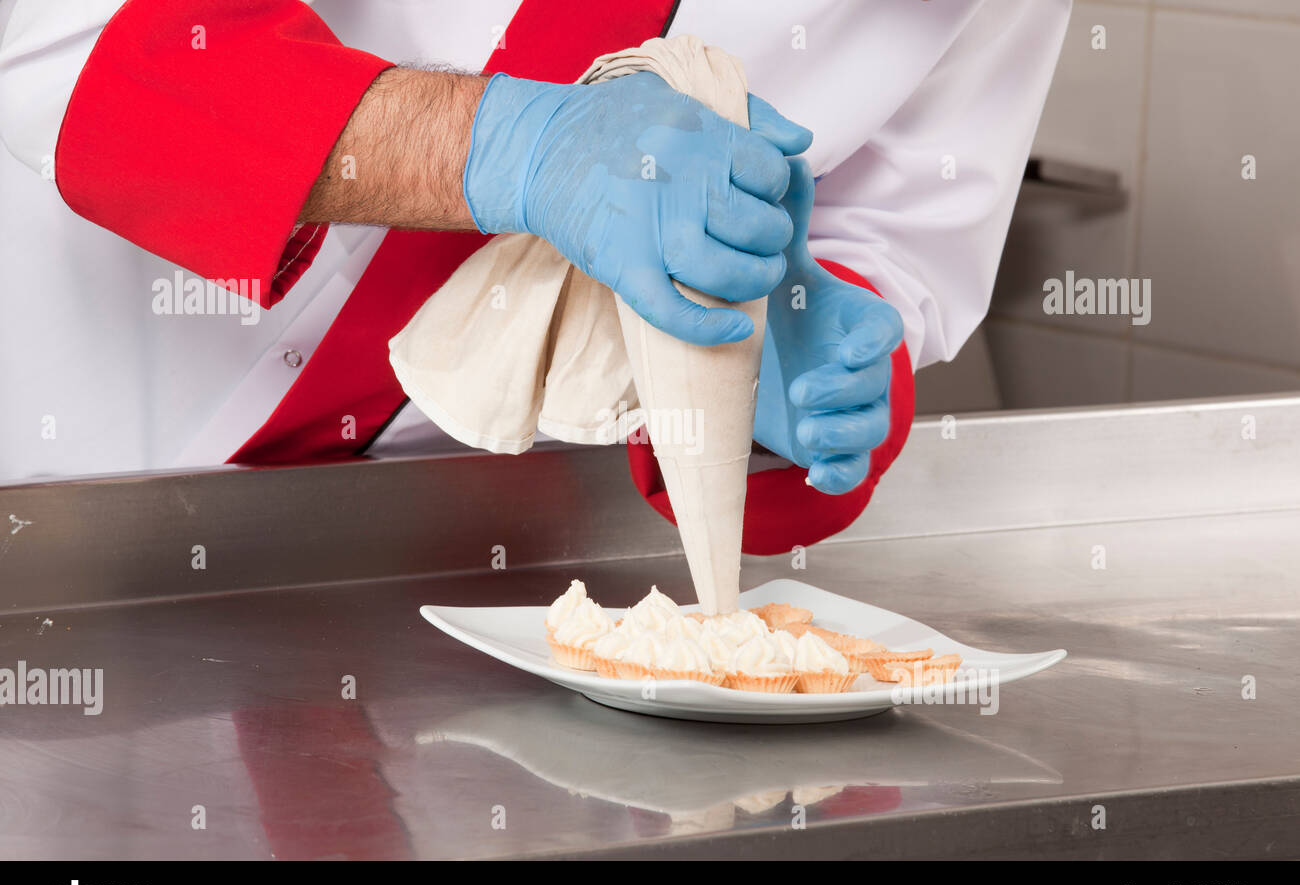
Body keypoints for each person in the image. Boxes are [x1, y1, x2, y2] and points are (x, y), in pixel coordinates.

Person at [0, 0, 1070, 552]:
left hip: (447, 569)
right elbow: (67, 45)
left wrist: (793, 359)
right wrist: (506, 145)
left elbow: (894, 230)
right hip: (56, 465)